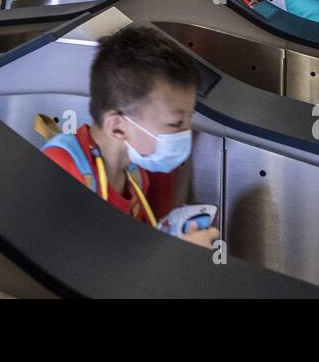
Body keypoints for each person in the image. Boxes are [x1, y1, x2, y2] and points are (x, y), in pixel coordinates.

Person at [41, 24, 218, 248]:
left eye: (188, 119)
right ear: (118, 127)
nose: (186, 133)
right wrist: (175, 260)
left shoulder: (134, 175)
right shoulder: (62, 173)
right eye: (175, 123)